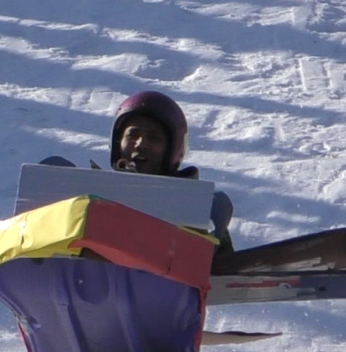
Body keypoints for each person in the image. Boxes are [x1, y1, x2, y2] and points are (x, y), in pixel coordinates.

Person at [42, 90, 234, 255]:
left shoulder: (195, 205)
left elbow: (221, 268)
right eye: (132, 135)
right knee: (53, 168)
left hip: (161, 283)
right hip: (89, 279)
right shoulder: (92, 194)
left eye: (154, 138)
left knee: (216, 202)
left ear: (171, 149)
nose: (141, 144)